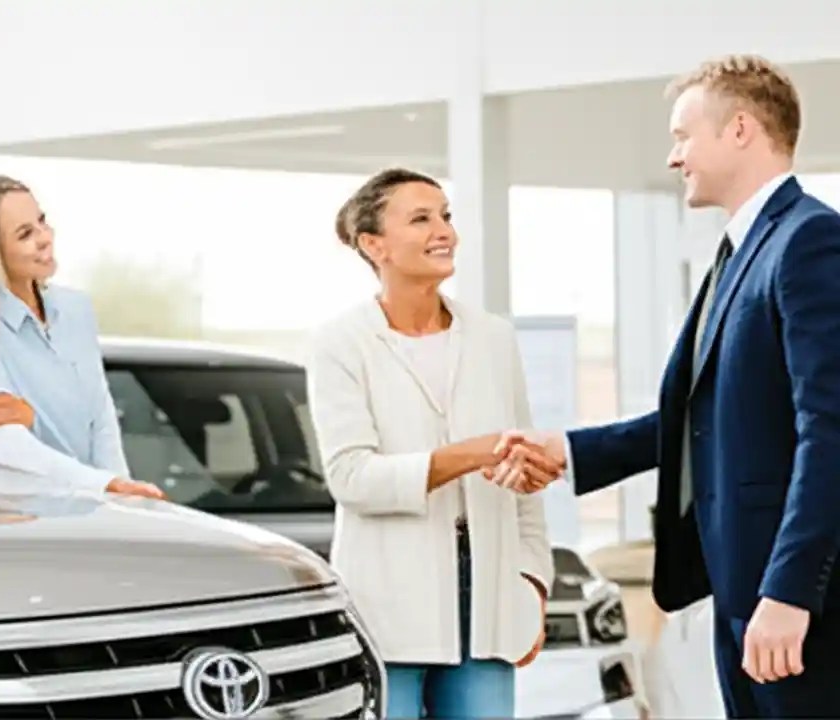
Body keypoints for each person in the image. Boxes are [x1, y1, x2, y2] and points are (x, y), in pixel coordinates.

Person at [493, 54, 840, 718]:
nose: (675, 156)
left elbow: (830, 431)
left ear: (740, 129)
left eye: (684, 135)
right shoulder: (743, 251)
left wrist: (791, 592)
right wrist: (569, 451)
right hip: (743, 595)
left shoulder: (809, 242)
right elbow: (705, 415)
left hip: (792, 605)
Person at [306, 167, 559, 719]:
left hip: (490, 601)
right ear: (375, 246)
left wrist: (534, 584)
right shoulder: (340, 343)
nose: (444, 230)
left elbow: (525, 481)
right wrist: (473, 452)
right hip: (389, 602)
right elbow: (351, 478)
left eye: (445, 215)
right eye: (421, 218)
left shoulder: (494, 337)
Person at [0, 174, 163, 500]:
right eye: (25, 234)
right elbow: (0, 444)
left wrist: (120, 490)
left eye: (42, 221)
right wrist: (100, 484)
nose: (45, 237)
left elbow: (101, 419)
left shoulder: (75, 310)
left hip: (97, 513)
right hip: (30, 524)